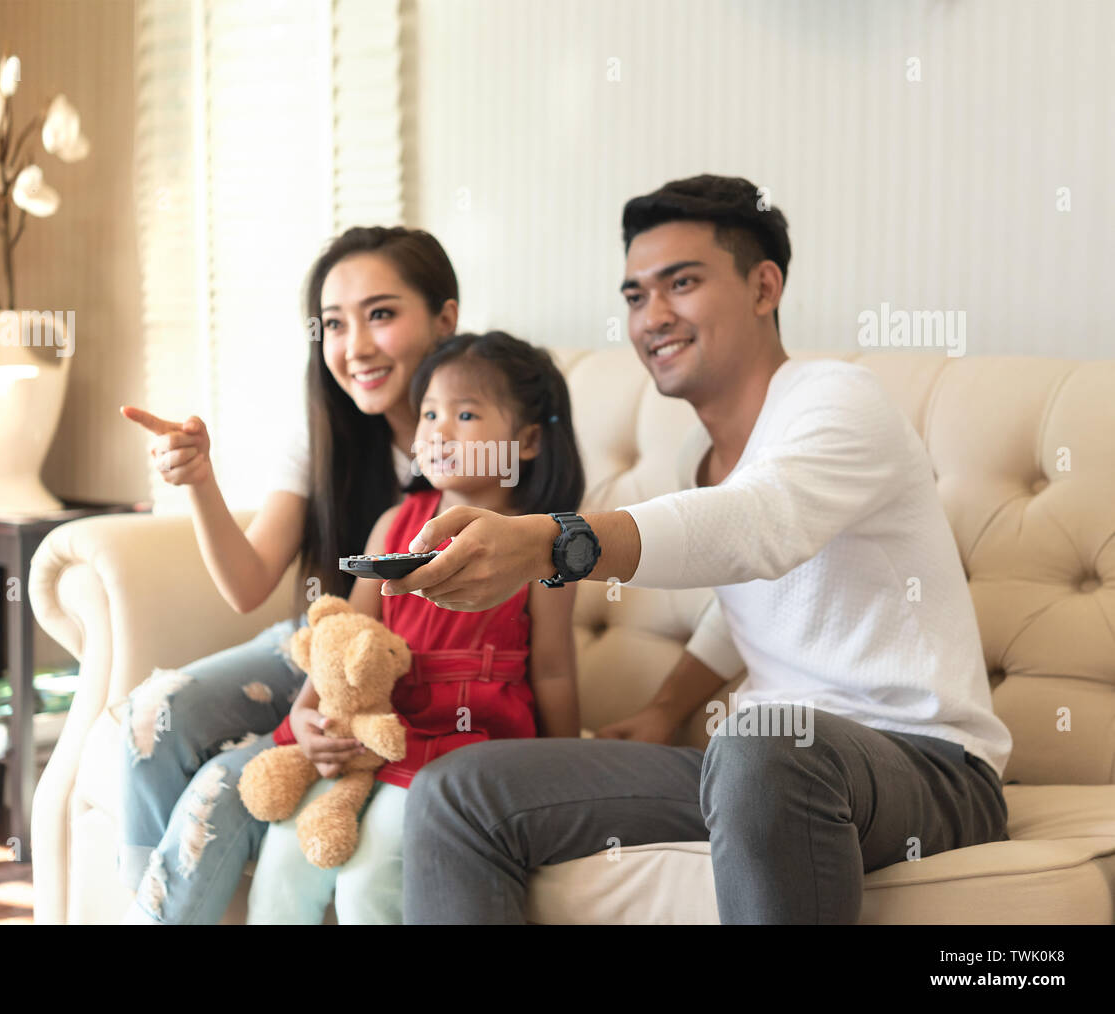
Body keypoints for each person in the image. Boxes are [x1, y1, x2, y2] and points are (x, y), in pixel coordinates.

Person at [382, 174, 1013, 924]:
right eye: (635, 296)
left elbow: (760, 526)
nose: (653, 315)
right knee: (460, 790)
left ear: (763, 287)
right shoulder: (696, 457)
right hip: (760, 767)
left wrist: (553, 542)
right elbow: (749, 602)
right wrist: (661, 711)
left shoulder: (837, 399)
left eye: (681, 283)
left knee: (763, 745)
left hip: (927, 766)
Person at [114, 226, 459, 924]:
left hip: (408, 670)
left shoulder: (480, 427)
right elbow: (247, 583)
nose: (355, 345)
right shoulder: (324, 428)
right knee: (152, 714)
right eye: (335, 323)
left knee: (221, 785)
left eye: (381, 314)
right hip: (318, 647)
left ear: (445, 318)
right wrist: (201, 480)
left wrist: (314, 712)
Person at [246, 331, 585, 923]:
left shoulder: (542, 544)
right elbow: (345, 634)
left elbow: (554, 669)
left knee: (371, 876)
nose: (438, 430)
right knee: (284, 857)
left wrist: (564, 773)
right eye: (429, 412)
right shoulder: (393, 524)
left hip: (469, 747)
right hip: (378, 732)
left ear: (528, 440)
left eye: (465, 413)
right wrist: (303, 713)